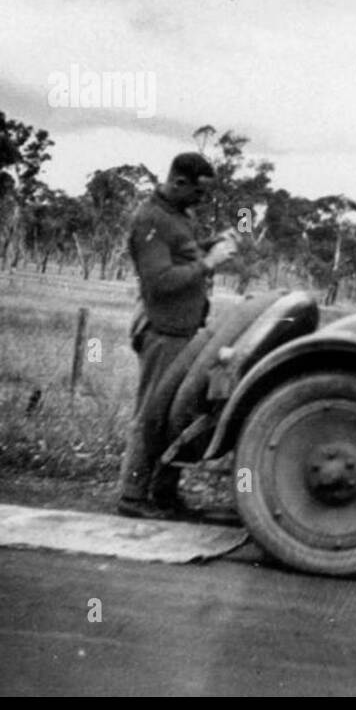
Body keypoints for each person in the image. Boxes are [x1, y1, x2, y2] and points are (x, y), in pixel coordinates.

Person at [117, 152, 238, 519]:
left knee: (175, 416)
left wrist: (210, 243)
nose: (202, 199)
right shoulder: (150, 220)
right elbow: (160, 282)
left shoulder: (178, 215)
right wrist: (209, 263)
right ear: (179, 182)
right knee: (152, 414)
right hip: (163, 330)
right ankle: (132, 496)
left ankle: (163, 494)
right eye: (198, 191)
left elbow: (180, 254)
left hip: (183, 329)